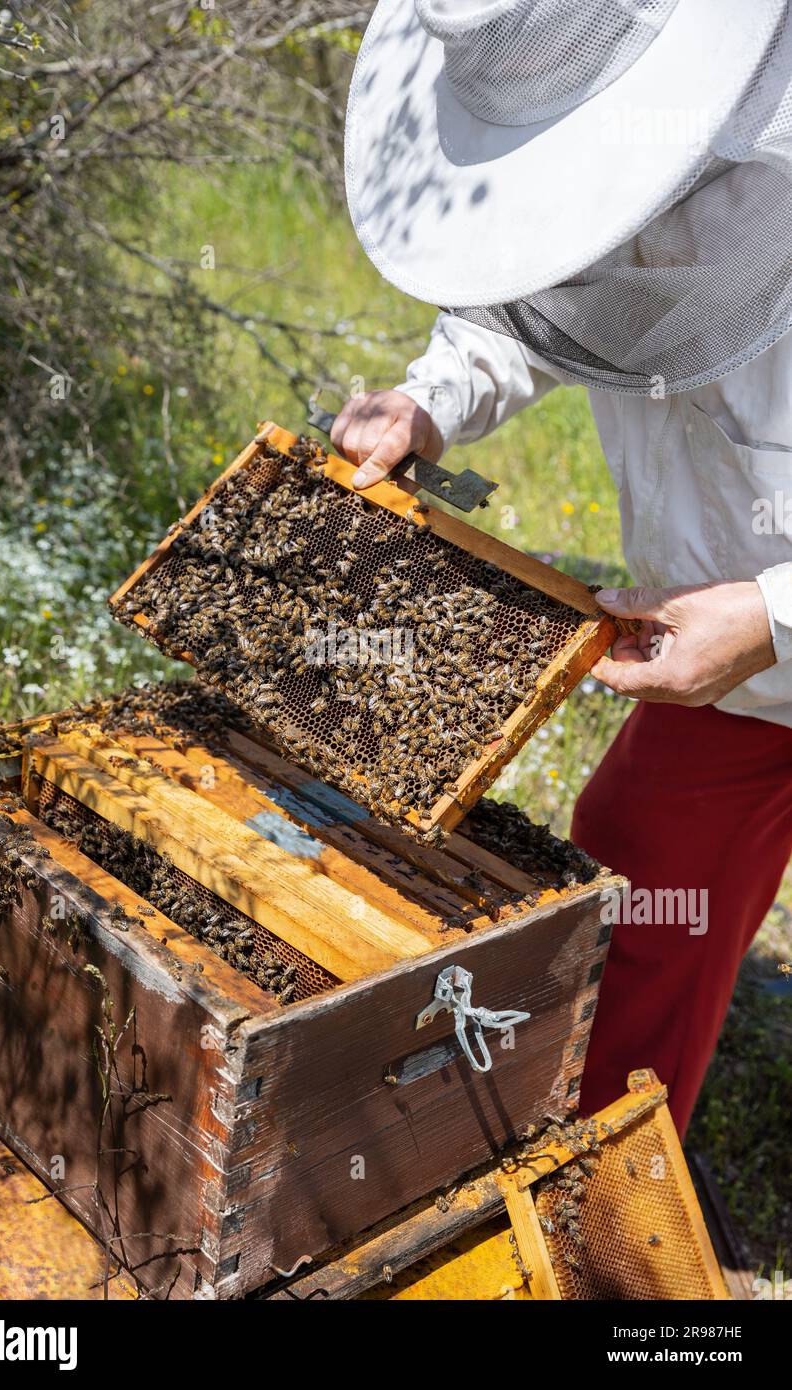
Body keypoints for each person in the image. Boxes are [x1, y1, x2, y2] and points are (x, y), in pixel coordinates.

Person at [333, 0, 792, 1134]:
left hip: (755, 631)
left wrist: (775, 614)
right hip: (731, 670)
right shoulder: (592, 153)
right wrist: (425, 404)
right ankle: (604, 1197)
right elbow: (527, 305)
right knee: (636, 898)